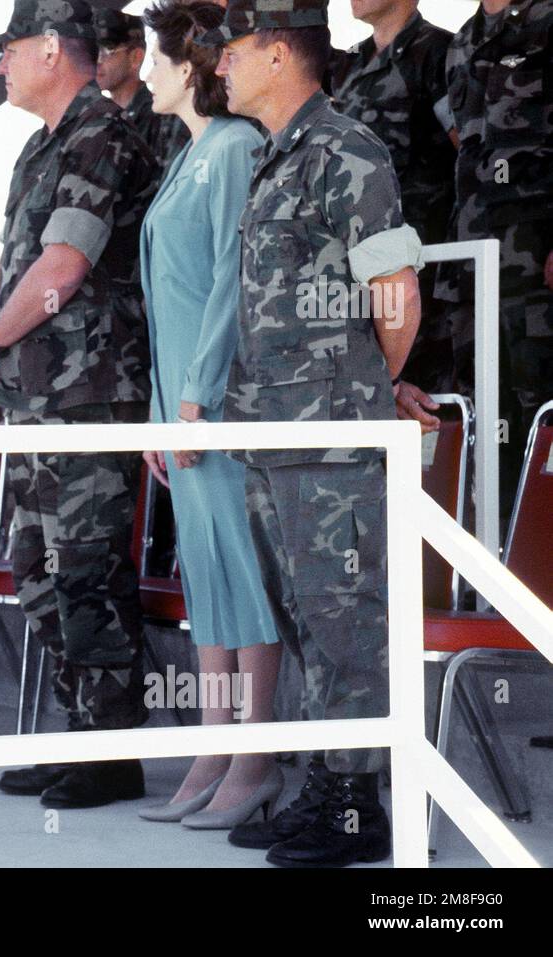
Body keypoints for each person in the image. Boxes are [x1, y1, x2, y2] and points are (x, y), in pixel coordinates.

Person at [199, 0, 423, 866]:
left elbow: (394, 292)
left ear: (280, 53)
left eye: (234, 49)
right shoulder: (275, 155)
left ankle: (355, 806)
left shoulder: (345, 147)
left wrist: (377, 383)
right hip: (276, 433)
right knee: (302, 616)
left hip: (330, 436)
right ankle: (329, 783)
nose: (219, 64)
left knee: (344, 622)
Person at [0, 0, 158, 808]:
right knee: (40, 571)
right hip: (42, 395)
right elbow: (19, 267)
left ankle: (112, 750)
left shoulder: (98, 133)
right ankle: (82, 730)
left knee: (86, 571)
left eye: (9, 51)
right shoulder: (40, 147)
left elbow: (63, 268)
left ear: (50, 48)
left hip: (88, 393)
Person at [136, 0, 282, 829]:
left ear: (189, 66)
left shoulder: (235, 149)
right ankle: (214, 742)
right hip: (182, 412)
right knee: (208, 585)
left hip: (218, 407)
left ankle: (255, 753)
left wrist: (196, 397)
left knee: (243, 576)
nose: (147, 72)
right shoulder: (187, 153)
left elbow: (233, 279)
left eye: (157, 59)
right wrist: (163, 413)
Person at [434, 0, 553, 526]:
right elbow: (461, 143)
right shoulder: (462, 41)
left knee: (542, 417)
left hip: (535, 265)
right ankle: (493, 579)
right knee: (484, 420)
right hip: (473, 268)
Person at [331, 0, 455, 397]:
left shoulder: (438, 52)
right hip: (359, 265)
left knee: (420, 392)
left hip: (420, 268)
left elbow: (467, 150)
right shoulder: (351, 62)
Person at [94, 5, 190, 174]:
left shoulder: (164, 113)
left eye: (107, 50)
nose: (97, 61)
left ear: (135, 57)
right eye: (94, 52)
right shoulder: (95, 117)